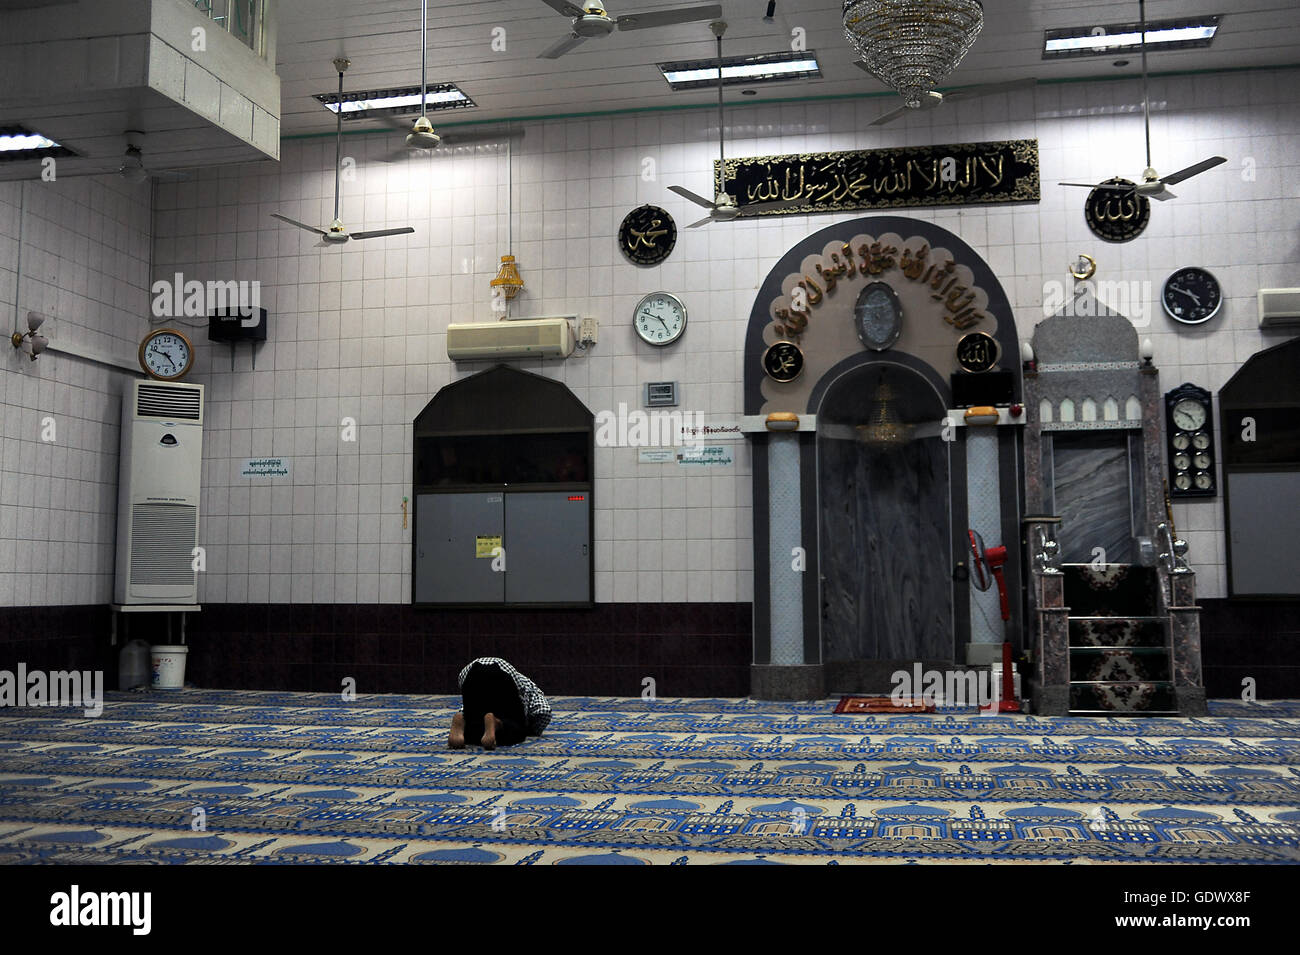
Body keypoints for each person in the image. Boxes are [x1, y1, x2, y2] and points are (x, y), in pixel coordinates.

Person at [449, 657, 551, 750]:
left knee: (475, 720)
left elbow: (469, 703)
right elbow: (544, 711)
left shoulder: (520, 678)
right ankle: (497, 722)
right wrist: (531, 730)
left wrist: (466, 713)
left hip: (469, 673)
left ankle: (463, 722)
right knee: (516, 731)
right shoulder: (533, 691)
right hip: (502, 675)